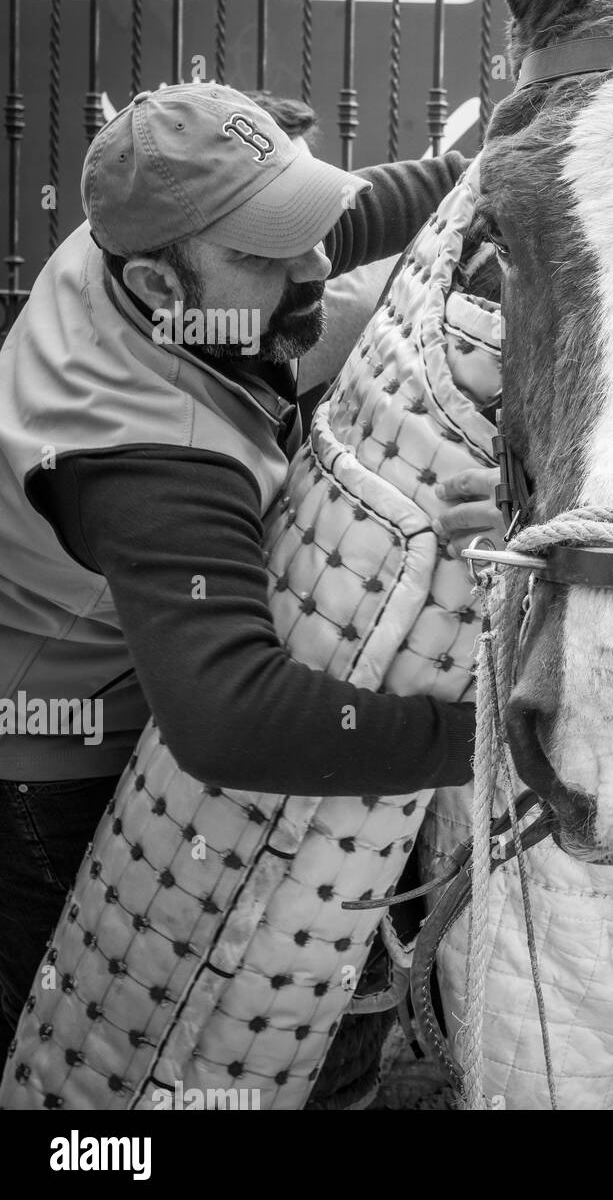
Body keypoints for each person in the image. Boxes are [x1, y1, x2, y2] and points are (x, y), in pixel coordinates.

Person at [0, 83, 474, 1059]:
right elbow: (234, 719)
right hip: (59, 768)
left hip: (109, 681)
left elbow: (356, 216)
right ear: (164, 291)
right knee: (97, 1042)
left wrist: (491, 169)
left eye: (299, 219)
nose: (314, 263)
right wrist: (496, 740)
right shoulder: (148, 457)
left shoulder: (128, 241)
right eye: (269, 251)